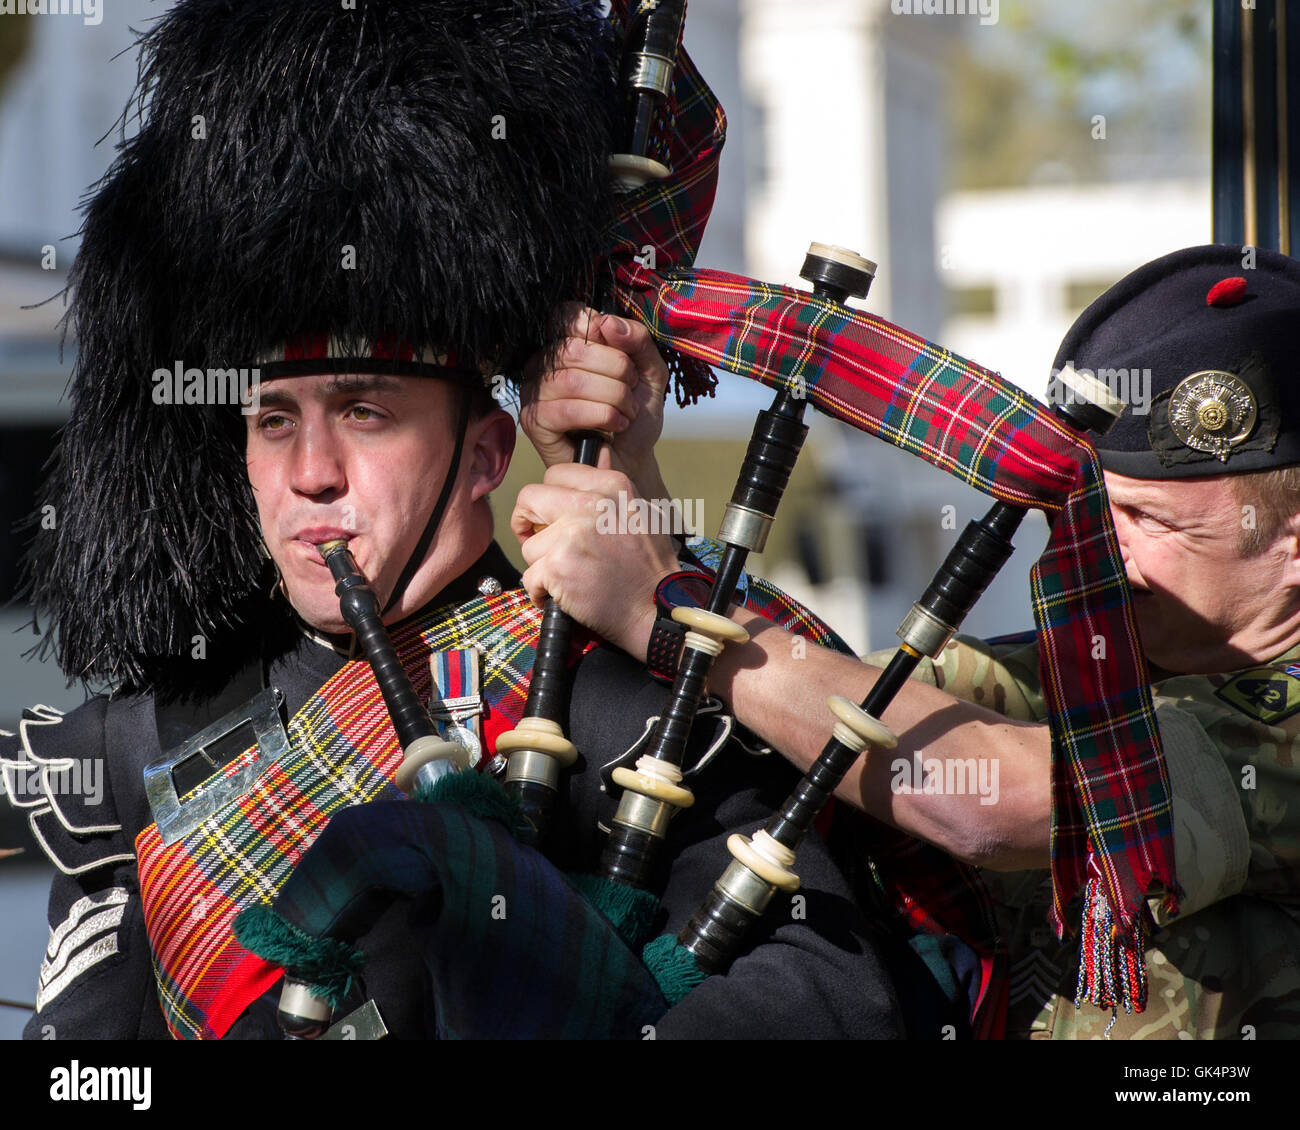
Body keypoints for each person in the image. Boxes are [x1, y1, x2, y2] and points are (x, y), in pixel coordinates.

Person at [0, 0, 900, 1040]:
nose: (313, 475)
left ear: (482, 454)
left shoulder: (627, 708)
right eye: (273, 419)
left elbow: (840, 999)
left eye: (366, 413)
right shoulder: (148, 742)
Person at [515, 243, 1300, 1039]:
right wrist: (627, 480)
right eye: (1092, 512)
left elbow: (998, 803)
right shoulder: (1075, 670)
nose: (1098, 548)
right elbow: (810, 718)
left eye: (1147, 521)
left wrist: (666, 613)